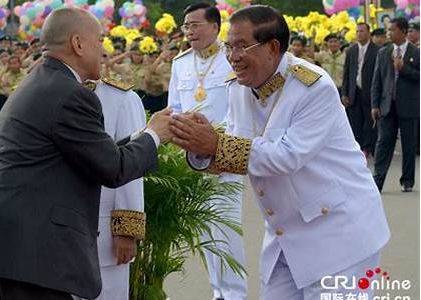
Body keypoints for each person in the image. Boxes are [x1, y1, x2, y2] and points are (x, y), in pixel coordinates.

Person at [170, 5, 390, 299]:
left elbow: (285, 156)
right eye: (228, 47)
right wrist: (197, 143)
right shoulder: (238, 88)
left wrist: (215, 144)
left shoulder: (313, 86)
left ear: (273, 48)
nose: (232, 57)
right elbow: (231, 144)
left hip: (338, 235)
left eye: (241, 47)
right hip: (285, 235)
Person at [0, 7, 173, 300]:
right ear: (78, 43)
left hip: (4, 244)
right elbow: (112, 168)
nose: (104, 50)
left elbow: (90, 152)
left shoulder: (38, 82)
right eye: (99, 40)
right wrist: (155, 135)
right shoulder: (71, 94)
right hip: (31, 251)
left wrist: (140, 136)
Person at [168, 3, 247, 300]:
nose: (189, 31)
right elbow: (175, 107)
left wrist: (215, 139)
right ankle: (219, 291)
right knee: (203, 228)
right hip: (192, 157)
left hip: (225, 154)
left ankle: (235, 293)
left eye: (195, 25)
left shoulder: (234, 60)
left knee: (226, 225)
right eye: (186, 26)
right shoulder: (181, 62)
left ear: (215, 27)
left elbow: (242, 108)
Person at [73, 78, 146, 300]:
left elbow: (131, 170)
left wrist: (126, 231)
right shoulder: (48, 91)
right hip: (60, 233)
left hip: (103, 236)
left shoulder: (120, 99)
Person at [371, 17, 420, 193]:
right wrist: (374, 105)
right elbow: (377, 81)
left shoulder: (416, 52)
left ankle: (407, 180)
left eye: (393, 30)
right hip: (387, 106)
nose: (389, 33)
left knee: (408, 145)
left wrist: (403, 68)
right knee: (383, 143)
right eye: (389, 30)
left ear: (404, 31)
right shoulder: (383, 52)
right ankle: (377, 181)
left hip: (408, 106)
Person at [341, 22, 379, 157]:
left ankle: (367, 147)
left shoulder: (377, 50)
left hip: (369, 91)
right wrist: (344, 93)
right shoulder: (351, 50)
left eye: (362, 31)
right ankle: (358, 146)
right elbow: (346, 73)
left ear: (368, 33)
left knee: (369, 122)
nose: (359, 34)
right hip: (354, 91)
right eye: (357, 31)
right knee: (355, 122)